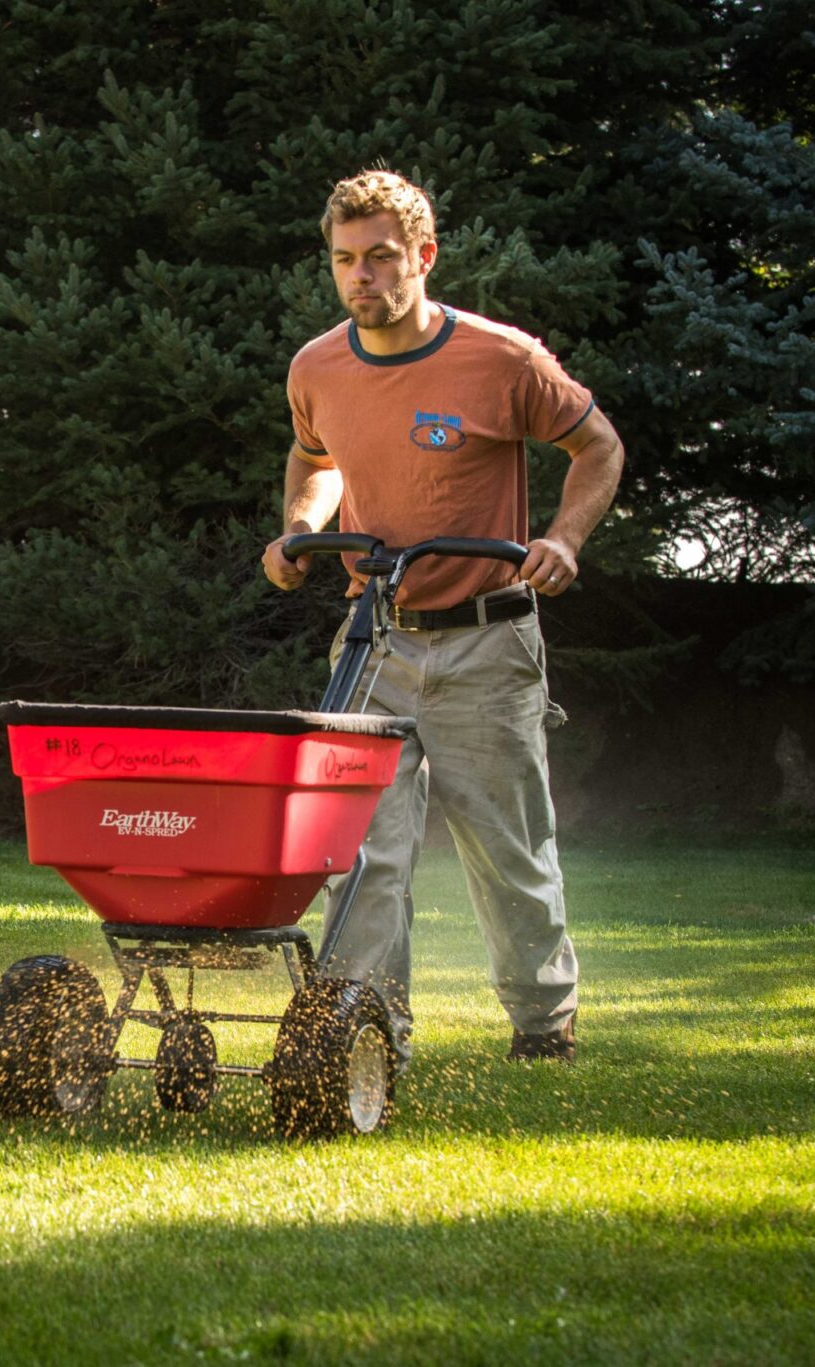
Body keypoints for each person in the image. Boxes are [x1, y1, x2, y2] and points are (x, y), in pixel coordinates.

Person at [261, 169, 624, 1064]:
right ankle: (366, 1031)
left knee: (507, 847)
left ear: (423, 256)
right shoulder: (318, 366)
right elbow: (315, 460)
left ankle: (544, 1024)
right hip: (374, 640)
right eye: (345, 261)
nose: (362, 278)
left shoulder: (501, 360)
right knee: (363, 851)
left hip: (487, 640)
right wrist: (301, 527)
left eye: (380, 259)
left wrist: (565, 541)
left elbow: (599, 447)